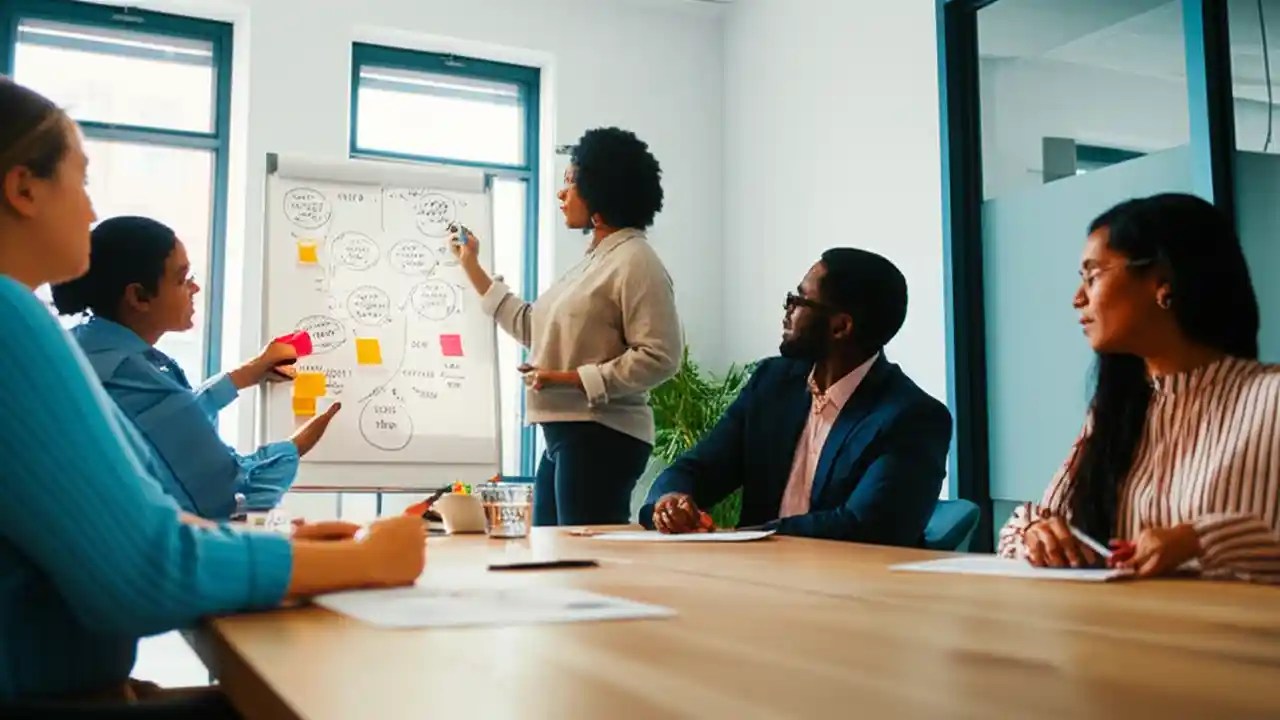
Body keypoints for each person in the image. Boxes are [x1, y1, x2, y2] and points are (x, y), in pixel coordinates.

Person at [0, 77, 425, 713]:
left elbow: (138, 516)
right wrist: (369, 560)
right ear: (24, 188)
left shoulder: (60, 334)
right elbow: (146, 568)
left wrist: (289, 547)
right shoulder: (12, 322)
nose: (91, 210)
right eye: (81, 180)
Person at [997, 193, 1280, 584]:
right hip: (1117, 636)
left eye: (1092, 276)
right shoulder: (1118, 409)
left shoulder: (1272, 399)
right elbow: (1022, 530)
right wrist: (1037, 535)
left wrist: (1201, 540)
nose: (1077, 299)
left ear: (1163, 281)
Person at [640, 248, 952, 544]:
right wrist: (670, 501)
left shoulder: (912, 417)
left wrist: (740, 536)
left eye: (799, 300)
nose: (787, 310)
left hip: (851, 589)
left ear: (841, 327)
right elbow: (701, 467)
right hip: (756, 579)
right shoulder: (773, 384)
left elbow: (865, 527)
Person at [451, 127, 682, 526]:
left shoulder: (635, 261)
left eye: (570, 182)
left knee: (582, 564)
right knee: (550, 555)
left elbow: (661, 356)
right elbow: (532, 327)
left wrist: (574, 378)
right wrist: (472, 265)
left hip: (601, 434)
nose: (562, 194)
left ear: (600, 189)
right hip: (565, 434)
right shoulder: (594, 262)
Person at [50, 215, 339, 520]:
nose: (195, 287)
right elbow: (234, 497)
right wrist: (296, 446)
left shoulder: (83, 346)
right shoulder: (131, 376)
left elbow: (166, 426)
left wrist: (246, 373)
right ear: (139, 296)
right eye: (181, 278)